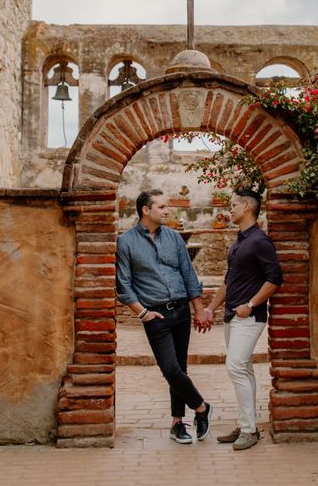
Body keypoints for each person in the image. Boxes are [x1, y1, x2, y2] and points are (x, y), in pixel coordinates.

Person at [115, 188, 213, 444]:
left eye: (167, 206)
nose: (168, 210)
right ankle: (201, 408)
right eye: (161, 207)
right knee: (169, 368)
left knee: (180, 368)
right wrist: (143, 313)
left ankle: (177, 424)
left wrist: (199, 309)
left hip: (181, 310)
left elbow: (188, 275)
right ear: (146, 210)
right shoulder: (125, 242)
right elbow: (124, 285)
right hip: (154, 315)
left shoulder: (175, 238)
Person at [203, 188, 282, 450]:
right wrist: (212, 307)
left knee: (235, 366)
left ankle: (248, 429)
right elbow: (229, 280)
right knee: (243, 369)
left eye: (234, 205)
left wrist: (250, 304)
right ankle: (246, 424)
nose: (230, 209)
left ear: (248, 207)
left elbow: (274, 279)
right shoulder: (239, 241)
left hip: (249, 317)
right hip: (232, 316)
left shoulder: (260, 241)